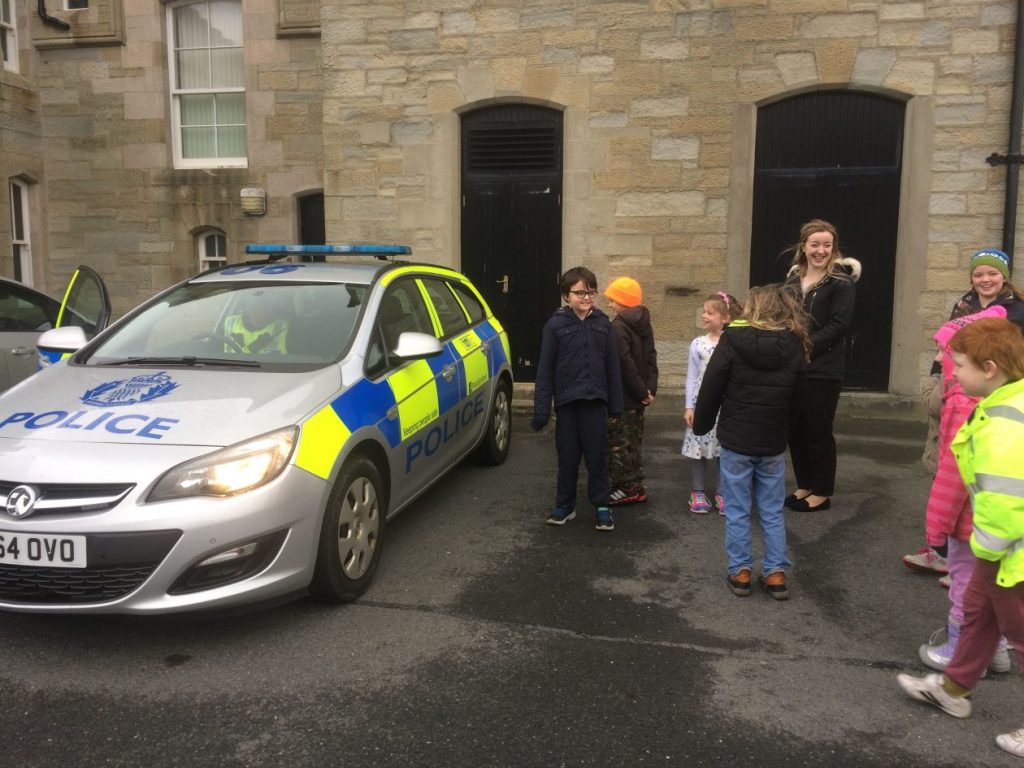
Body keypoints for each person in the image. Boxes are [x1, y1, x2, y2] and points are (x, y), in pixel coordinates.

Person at [896, 317, 1024, 759]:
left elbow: (1006, 505)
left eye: (960, 366)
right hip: (1003, 549)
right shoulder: (1008, 402)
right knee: (979, 615)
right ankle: (953, 688)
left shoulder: (1005, 423)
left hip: (1009, 553)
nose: (954, 373)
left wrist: (983, 551)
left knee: (1019, 632)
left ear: (989, 368)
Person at [903, 248, 1024, 578]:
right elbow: (944, 348)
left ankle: (967, 561)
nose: (985, 280)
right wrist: (935, 381)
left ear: (1004, 276)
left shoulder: (1018, 310)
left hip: (986, 396)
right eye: (978, 274)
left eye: (992, 274)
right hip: (954, 387)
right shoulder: (964, 304)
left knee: (970, 474)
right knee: (944, 461)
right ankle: (943, 551)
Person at [912, 305, 1012, 676]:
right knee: (994, 588)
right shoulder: (1007, 399)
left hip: (969, 522)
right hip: (1003, 522)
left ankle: (961, 649)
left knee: (966, 586)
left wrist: (936, 528)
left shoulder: (961, 404)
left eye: (948, 353)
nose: (940, 358)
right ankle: (997, 649)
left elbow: (952, 475)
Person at [693, 284, 809, 600]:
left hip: (736, 440)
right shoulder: (794, 345)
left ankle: (741, 571)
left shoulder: (732, 341)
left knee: (738, 508)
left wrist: (702, 425)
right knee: (771, 510)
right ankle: (774, 574)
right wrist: (788, 434)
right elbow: (799, 400)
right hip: (771, 441)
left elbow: (711, 385)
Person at [532, 267, 624, 531]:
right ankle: (565, 504)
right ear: (566, 295)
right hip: (568, 403)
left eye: (591, 292)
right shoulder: (555, 326)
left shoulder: (603, 324)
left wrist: (616, 406)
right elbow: (545, 370)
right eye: (580, 292)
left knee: (597, 456)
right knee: (568, 457)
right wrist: (541, 410)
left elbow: (612, 367)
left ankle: (602, 505)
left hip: (595, 402)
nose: (586, 297)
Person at [782, 219, 861, 512]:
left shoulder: (841, 282)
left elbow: (839, 325)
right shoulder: (792, 280)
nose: (821, 250)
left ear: (833, 247)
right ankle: (805, 485)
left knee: (817, 430)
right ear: (804, 246)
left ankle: (822, 492)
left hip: (823, 369)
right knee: (797, 429)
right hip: (794, 367)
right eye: (815, 244)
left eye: (827, 245)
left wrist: (805, 346)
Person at [604, 277, 658, 507]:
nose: (609, 305)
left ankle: (627, 488)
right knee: (634, 442)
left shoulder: (617, 326)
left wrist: (638, 391)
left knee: (619, 444)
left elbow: (625, 364)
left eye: (612, 300)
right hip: (640, 396)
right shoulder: (644, 323)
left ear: (623, 301)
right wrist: (649, 390)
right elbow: (651, 358)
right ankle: (634, 484)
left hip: (625, 398)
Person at [682, 291, 737, 515]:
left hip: (726, 405)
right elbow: (692, 376)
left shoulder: (733, 343)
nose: (704, 316)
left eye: (709, 312)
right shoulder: (698, 344)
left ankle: (723, 493)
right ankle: (697, 491)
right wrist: (689, 406)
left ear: (725, 318)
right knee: (699, 448)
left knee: (724, 449)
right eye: (704, 311)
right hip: (702, 404)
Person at [225, 291, 289, 353]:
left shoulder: (286, 329)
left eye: (264, 304)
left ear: (273, 307)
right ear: (245, 306)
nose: (257, 309)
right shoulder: (230, 323)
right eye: (252, 304)